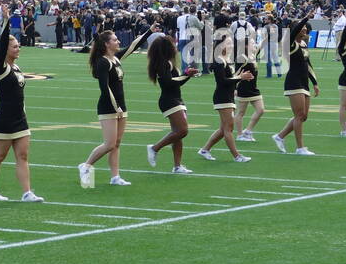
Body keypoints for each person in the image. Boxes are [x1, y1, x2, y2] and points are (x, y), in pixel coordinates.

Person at [0, 20, 43, 203]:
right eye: (15, 46)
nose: (19, 49)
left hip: (20, 118)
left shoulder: (16, 67)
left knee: (23, 156)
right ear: (5, 49)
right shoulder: (0, 68)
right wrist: (7, 20)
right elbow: (0, 48)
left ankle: (27, 193)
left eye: (19, 46)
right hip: (5, 119)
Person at [79, 30, 142, 187]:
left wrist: (149, 31)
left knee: (117, 143)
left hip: (121, 106)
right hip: (109, 106)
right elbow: (104, 88)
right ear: (107, 44)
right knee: (109, 144)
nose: (118, 41)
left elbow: (133, 46)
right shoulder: (103, 62)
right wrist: (116, 107)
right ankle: (86, 165)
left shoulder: (115, 58)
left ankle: (115, 177)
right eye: (115, 40)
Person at [146, 33, 200, 173]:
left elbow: (177, 83)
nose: (175, 46)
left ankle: (177, 166)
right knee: (183, 130)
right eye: (172, 44)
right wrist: (186, 75)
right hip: (169, 101)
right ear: (167, 48)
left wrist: (187, 75)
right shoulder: (164, 64)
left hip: (175, 99)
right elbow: (168, 83)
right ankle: (154, 148)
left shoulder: (168, 62)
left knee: (178, 134)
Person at [197, 35, 255, 162]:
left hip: (227, 97)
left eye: (231, 44)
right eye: (228, 44)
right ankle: (237, 156)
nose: (231, 46)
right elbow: (222, 81)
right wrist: (240, 77)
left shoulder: (225, 60)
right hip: (222, 98)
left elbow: (230, 80)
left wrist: (239, 78)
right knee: (228, 128)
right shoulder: (219, 61)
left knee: (223, 129)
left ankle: (204, 150)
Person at [273, 14, 318, 155]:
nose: (305, 29)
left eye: (305, 27)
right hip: (294, 81)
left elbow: (308, 65)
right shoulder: (289, 43)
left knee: (304, 116)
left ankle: (279, 136)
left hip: (304, 81)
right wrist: (305, 18)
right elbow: (293, 31)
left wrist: (315, 83)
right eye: (302, 27)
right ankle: (300, 148)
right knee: (299, 115)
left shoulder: (303, 44)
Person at [234, 17, 264, 141]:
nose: (254, 44)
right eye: (252, 43)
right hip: (244, 88)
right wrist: (234, 87)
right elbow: (235, 74)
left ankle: (248, 131)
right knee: (241, 112)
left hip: (253, 88)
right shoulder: (242, 58)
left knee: (261, 110)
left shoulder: (252, 55)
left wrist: (266, 38)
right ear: (246, 46)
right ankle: (240, 135)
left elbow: (260, 47)